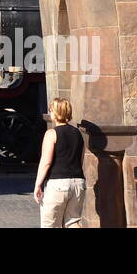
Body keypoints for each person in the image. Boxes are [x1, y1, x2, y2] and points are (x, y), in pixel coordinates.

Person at [33, 97, 86, 228]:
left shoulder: (51, 134)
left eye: (51, 110)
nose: (50, 113)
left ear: (56, 113)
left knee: (50, 224)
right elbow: (81, 159)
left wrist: (37, 185)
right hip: (78, 183)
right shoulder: (78, 134)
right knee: (73, 222)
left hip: (58, 184)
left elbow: (46, 162)